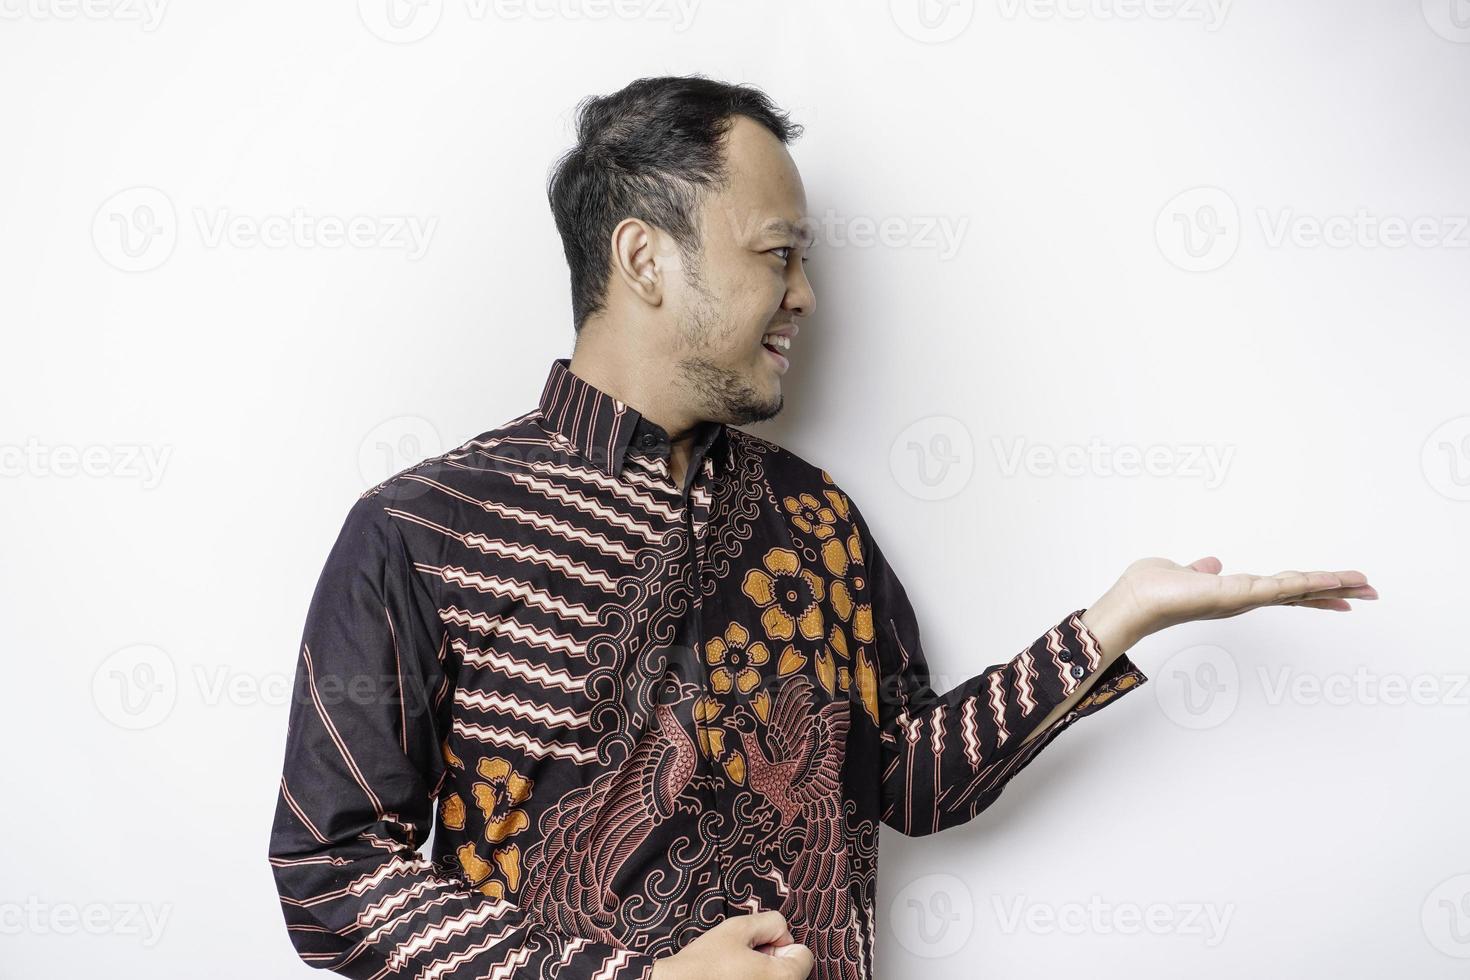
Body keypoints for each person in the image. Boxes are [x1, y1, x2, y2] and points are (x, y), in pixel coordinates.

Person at [266, 75, 1377, 980]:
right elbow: (328, 869)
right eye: (777, 253)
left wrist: (1109, 622)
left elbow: (908, 779)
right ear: (646, 260)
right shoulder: (422, 530)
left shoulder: (816, 518)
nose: (806, 296)